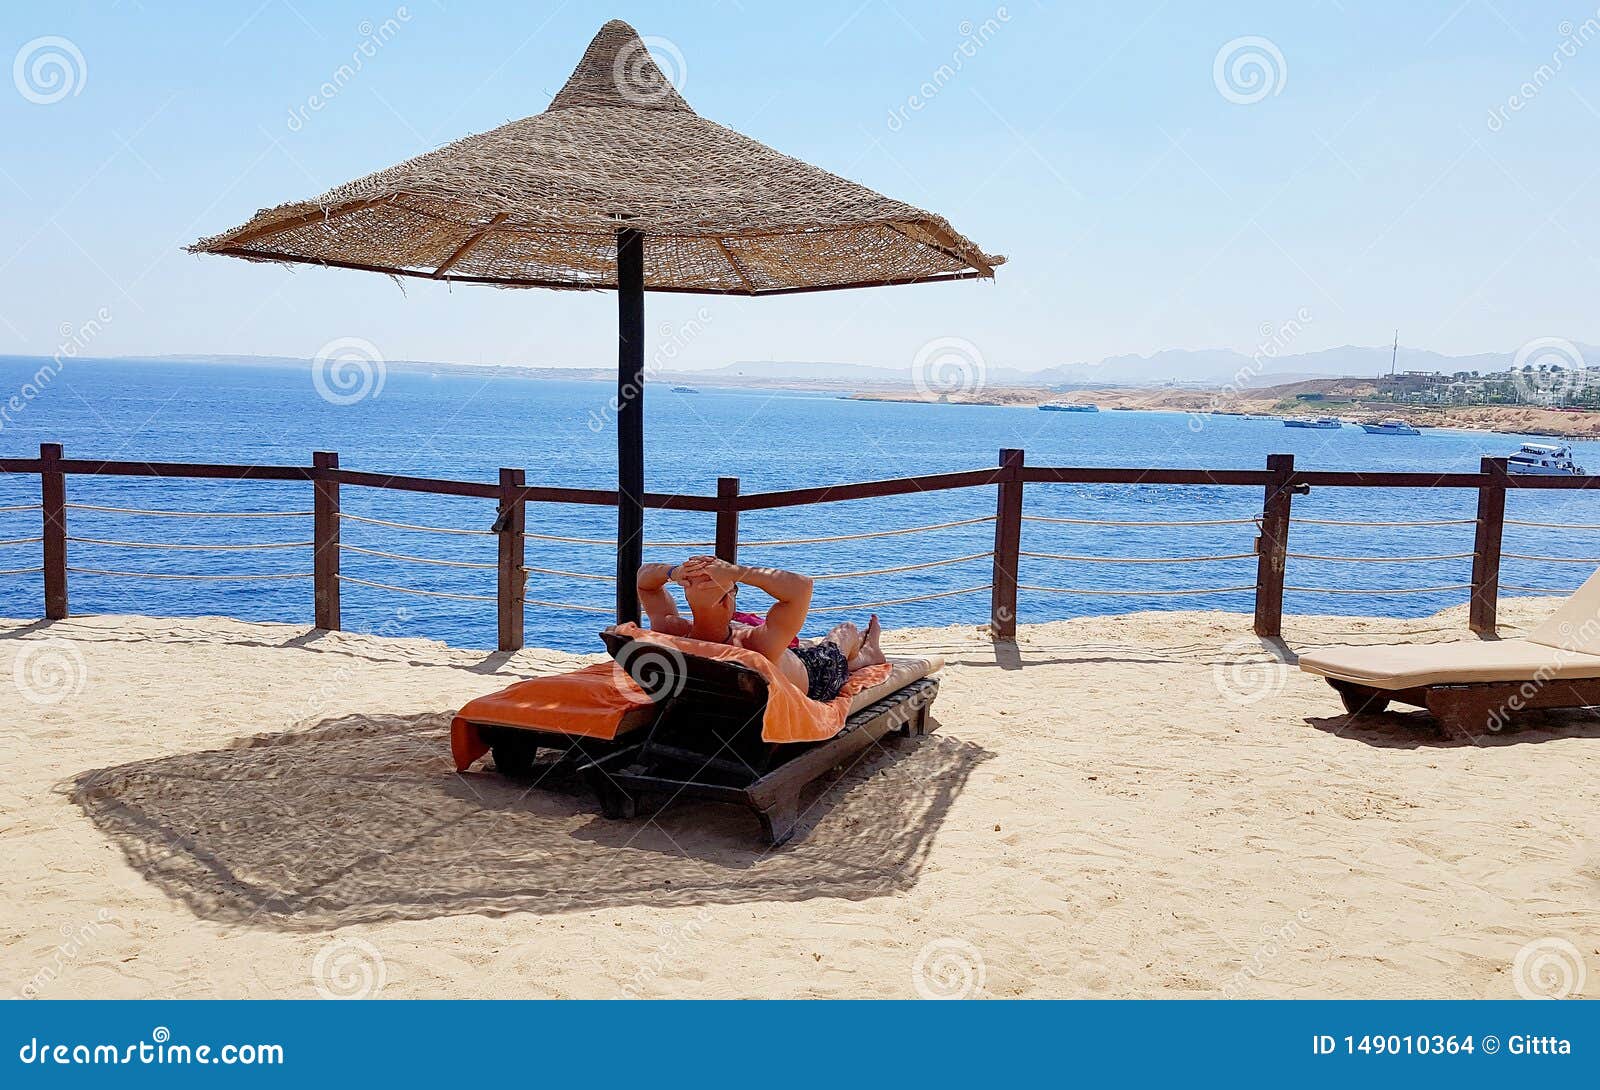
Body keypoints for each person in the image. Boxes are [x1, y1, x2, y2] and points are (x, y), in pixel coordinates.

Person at [635, 555, 886, 702]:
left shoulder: (670, 631)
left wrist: (673, 571)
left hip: (732, 686)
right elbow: (802, 587)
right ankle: (868, 655)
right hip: (814, 675)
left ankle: (855, 661)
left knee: (807, 648)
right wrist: (738, 572)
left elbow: (645, 583)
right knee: (846, 630)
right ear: (727, 601)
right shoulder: (754, 644)